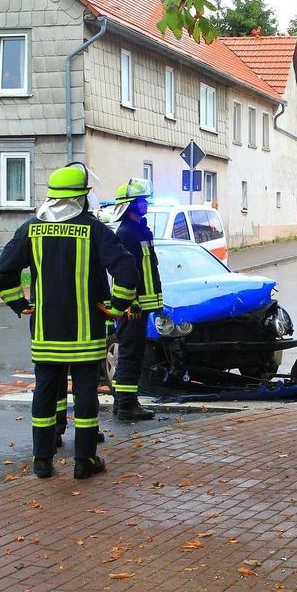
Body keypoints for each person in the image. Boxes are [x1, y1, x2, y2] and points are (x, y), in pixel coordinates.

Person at [0, 163, 138, 480]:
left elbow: (2, 274)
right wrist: (118, 305)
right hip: (85, 335)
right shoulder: (94, 229)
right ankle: (84, 461)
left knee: (44, 394)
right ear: (82, 198)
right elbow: (126, 269)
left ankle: (42, 460)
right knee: (86, 396)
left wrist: (20, 303)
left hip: (45, 335)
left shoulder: (30, 229)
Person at [111, 178, 164, 421]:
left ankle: (122, 402)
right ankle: (126, 405)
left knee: (133, 353)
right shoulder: (126, 233)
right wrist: (131, 303)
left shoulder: (140, 229)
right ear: (130, 205)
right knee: (130, 355)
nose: (145, 204)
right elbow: (126, 272)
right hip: (134, 307)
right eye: (141, 201)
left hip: (142, 306)